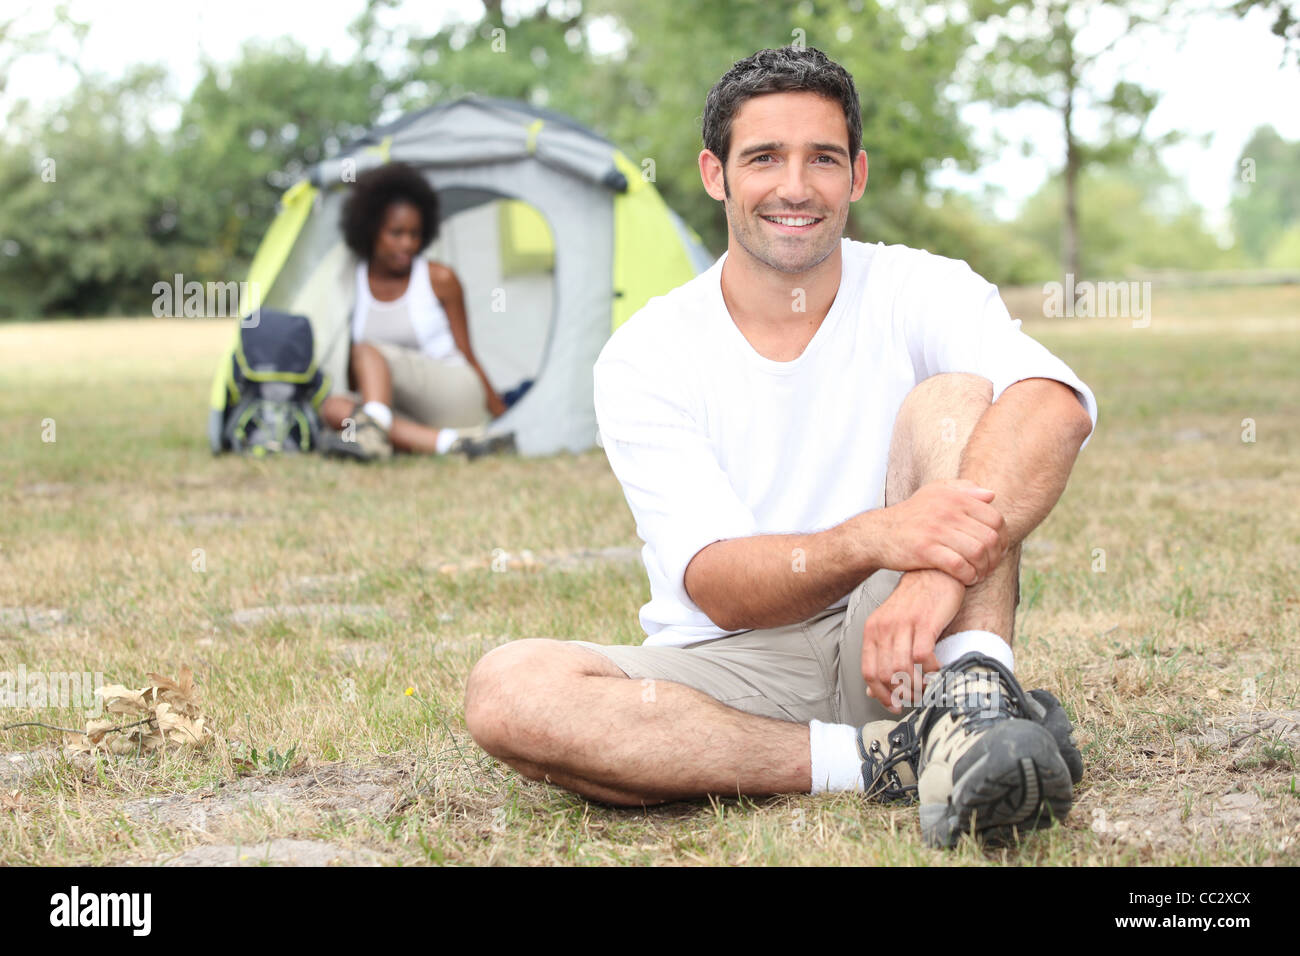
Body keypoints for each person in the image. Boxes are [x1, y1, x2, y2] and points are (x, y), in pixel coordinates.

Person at [463, 47, 1096, 848]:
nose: (795, 187)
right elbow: (721, 584)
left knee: (961, 402)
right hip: (730, 669)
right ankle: (889, 760)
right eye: (764, 157)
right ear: (714, 172)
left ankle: (972, 703)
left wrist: (928, 578)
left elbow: (1056, 406)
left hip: (904, 640)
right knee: (509, 689)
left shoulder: (919, 286)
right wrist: (877, 535)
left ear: (857, 176)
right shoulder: (646, 351)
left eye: (822, 159)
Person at [319, 162, 514, 460]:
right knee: (334, 408)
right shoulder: (351, 281)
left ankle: (375, 435)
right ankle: (453, 444)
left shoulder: (439, 279)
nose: (408, 244)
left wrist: (502, 412)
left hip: (453, 394)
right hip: (397, 406)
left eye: (415, 234)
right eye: (396, 233)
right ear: (371, 230)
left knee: (366, 352)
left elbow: (467, 352)